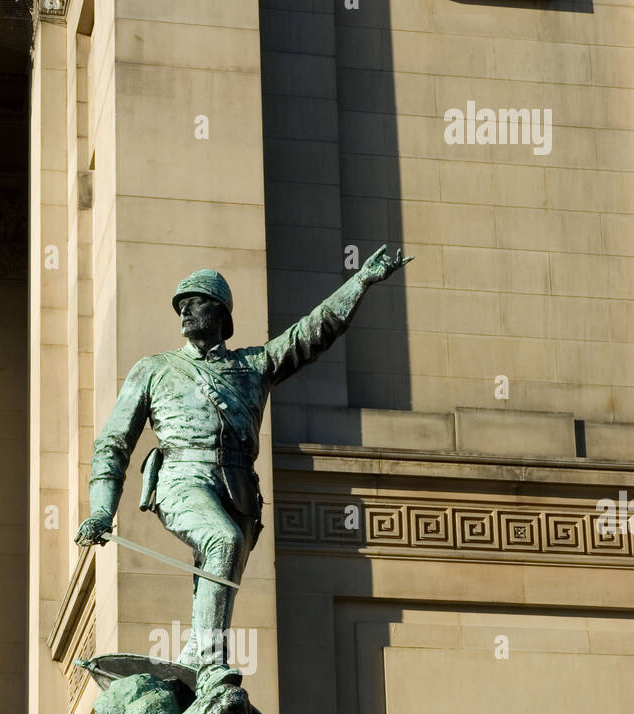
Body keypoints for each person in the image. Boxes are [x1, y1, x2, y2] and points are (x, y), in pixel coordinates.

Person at [75, 245, 411, 685]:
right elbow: (113, 444)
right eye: (180, 306)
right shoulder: (154, 369)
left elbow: (313, 332)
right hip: (181, 477)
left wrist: (361, 280)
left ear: (220, 312)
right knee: (223, 541)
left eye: (194, 302)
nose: (184, 312)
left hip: (237, 488)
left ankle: (199, 650)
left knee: (216, 564)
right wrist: (102, 508)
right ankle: (207, 661)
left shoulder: (254, 365)